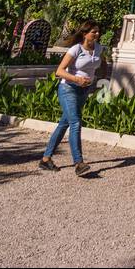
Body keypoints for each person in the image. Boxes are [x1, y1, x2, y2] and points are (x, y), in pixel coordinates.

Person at [40, 20, 104, 175]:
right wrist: (77, 79)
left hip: (84, 90)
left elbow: (102, 65)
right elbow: (59, 71)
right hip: (68, 88)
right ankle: (79, 163)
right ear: (84, 33)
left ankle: (46, 159)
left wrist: (100, 80)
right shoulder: (76, 49)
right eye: (93, 31)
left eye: (97, 31)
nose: (96, 34)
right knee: (75, 123)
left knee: (64, 123)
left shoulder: (99, 49)